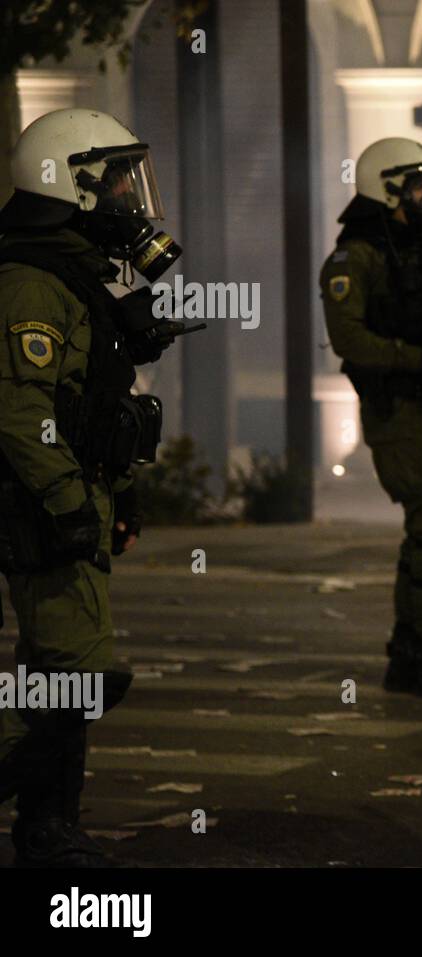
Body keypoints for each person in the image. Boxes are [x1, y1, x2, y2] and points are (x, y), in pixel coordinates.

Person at [0, 108, 186, 865]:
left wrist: (119, 491)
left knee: (59, 667)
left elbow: (93, 403)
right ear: (65, 181)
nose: (125, 196)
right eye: (111, 180)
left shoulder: (74, 270)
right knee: (78, 675)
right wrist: (70, 500)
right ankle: (47, 823)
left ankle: (49, 826)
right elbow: (19, 413)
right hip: (38, 501)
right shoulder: (31, 280)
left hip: (71, 496)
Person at [320, 138, 422, 703]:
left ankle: (412, 652)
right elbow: (351, 339)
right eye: (416, 185)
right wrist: (420, 357)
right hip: (397, 410)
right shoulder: (354, 257)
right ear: (385, 190)